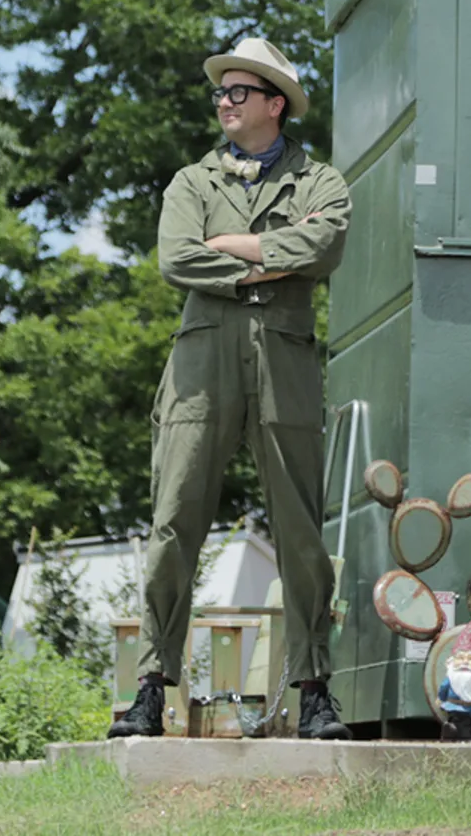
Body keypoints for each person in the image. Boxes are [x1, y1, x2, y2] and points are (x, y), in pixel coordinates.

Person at [108, 38, 353, 741]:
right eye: (220, 92)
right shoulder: (191, 182)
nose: (223, 101)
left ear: (275, 103)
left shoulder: (321, 183)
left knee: (302, 534)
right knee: (173, 525)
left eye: (238, 92)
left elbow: (326, 247)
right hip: (200, 365)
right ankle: (150, 689)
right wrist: (273, 258)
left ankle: (314, 693)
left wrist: (233, 247)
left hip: (286, 366)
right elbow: (176, 257)